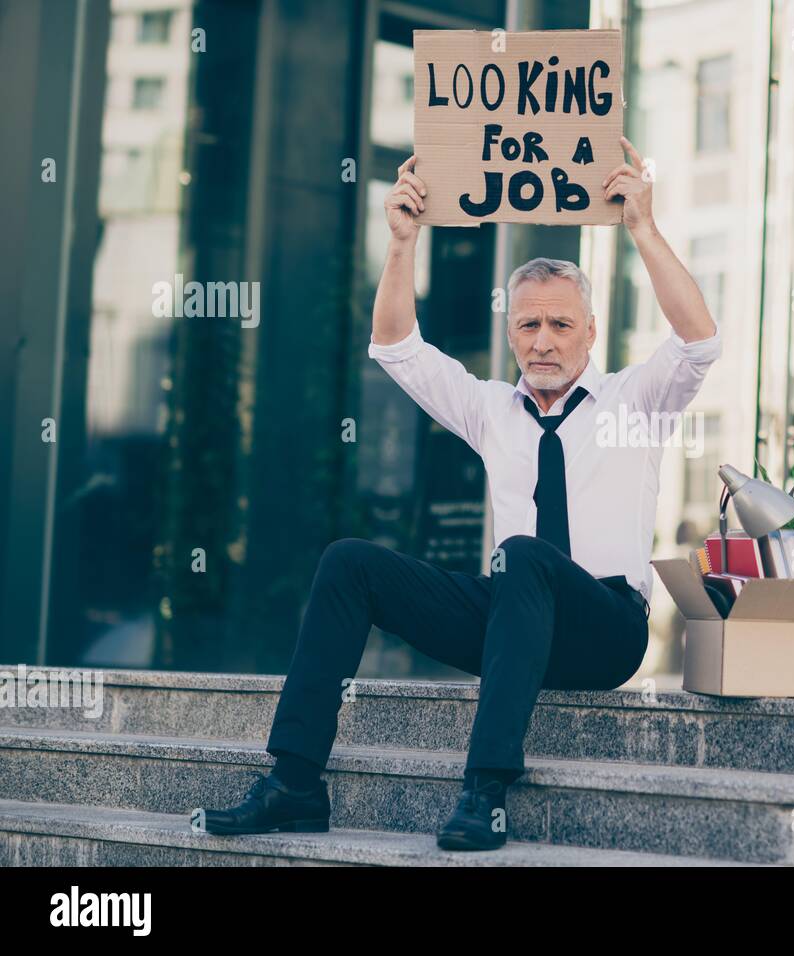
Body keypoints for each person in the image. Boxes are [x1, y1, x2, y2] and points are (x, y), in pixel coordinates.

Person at [195, 138, 721, 851]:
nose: (542, 341)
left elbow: (697, 341)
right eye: (527, 325)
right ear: (511, 332)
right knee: (350, 563)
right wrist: (402, 240)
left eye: (560, 324)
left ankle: (484, 791)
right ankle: (294, 782)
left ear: (590, 332)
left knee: (525, 556)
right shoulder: (488, 408)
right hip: (511, 616)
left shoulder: (637, 399)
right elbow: (396, 346)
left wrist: (642, 229)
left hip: (605, 628)